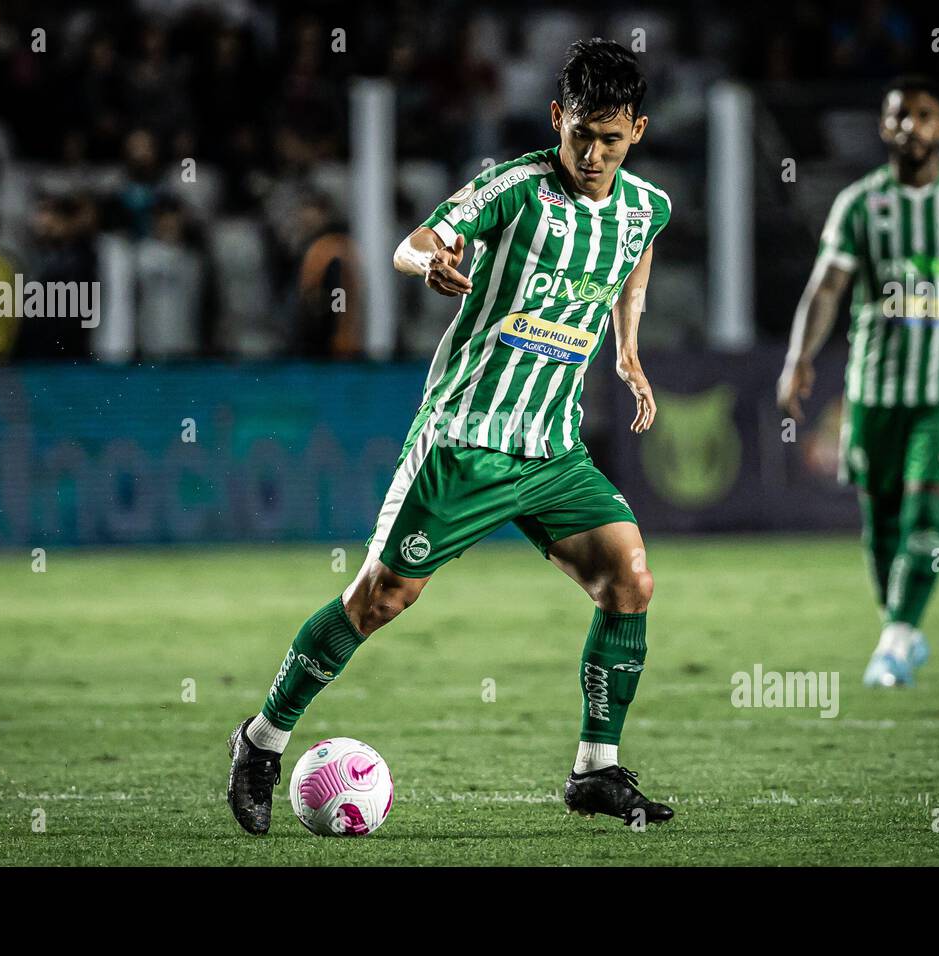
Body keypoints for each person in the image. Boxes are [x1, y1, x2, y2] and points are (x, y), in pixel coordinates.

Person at [227, 38, 674, 831]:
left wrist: (627, 348)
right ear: (556, 119)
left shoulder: (648, 206)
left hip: (551, 445)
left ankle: (595, 772)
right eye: (580, 135)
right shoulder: (516, 188)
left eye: (611, 138)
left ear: (636, 130)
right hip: (465, 437)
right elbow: (418, 239)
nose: (594, 153)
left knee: (629, 581)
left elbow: (632, 261)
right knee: (378, 599)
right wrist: (427, 263)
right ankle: (261, 740)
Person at [777, 76, 939, 689]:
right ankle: (901, 629)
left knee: (928, 511)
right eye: (900, 116)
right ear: (884, 129)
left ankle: (893, 641)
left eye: (924, 115)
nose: (911, 126)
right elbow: (828, 287)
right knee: (883, 525)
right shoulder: (860, 204)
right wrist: (800, 355)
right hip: (876, 390)